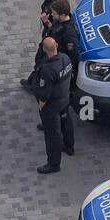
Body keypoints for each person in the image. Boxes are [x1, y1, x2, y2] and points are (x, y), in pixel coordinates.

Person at [33, 36, 74, 174]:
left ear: (44, 50)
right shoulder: (66, 59)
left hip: (52, 107)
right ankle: (69, 146)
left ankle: (53, 164)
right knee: (66, 122)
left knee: (52, 136)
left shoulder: (48, 70)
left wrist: (41, 105)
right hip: (64, 100)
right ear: (56, 45)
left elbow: (45, 93)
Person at [46, 0, 82, 154]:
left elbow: (74, 58)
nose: (51, 15)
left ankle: (69, 145)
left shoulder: (69, 34)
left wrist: (64, 70)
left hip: (64, 76)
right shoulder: (61, 25)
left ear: (61, 15)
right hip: (58, 69)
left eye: (53, 13)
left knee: (64, 114)